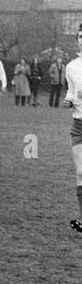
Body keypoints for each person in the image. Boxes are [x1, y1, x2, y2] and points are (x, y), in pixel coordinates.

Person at [63, 28, 82, 233]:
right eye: (80, 37)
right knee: (81, 172)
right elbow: (70, 91)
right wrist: (68, 100)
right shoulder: (71, 67)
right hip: (79, 125)